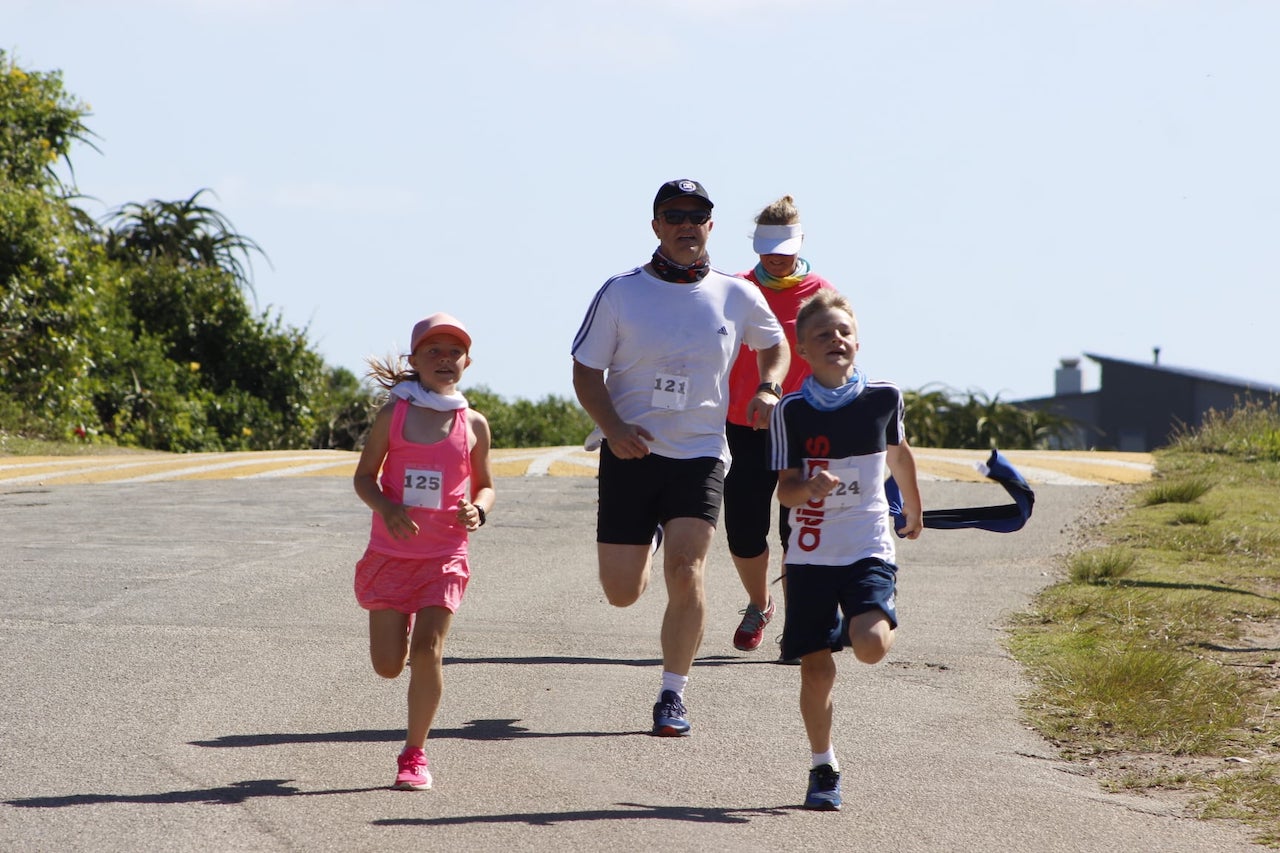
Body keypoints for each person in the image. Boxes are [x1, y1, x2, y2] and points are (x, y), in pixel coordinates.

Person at [571, 178, 790, 737]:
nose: (686, 226)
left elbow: (775, 343)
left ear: (710, 226)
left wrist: (768, 386)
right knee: (622, 593)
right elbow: (586, 372)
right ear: (656, 227)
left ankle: (673, 694)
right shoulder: (621, 292)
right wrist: (613, 428)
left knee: (688, 566)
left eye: (697, 217)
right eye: (674, 216)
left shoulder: (734, 293)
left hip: (699, 453)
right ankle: (647, 540)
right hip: (631, 450)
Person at [768, 289, 923, 810]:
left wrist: (915, 509)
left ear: (857, 340)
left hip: (867, 545)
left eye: (843, 332)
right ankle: (823, 765)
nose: (836, 339)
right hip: (810, 553)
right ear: (803, 351)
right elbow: (784, 488)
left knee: (872, 645)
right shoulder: (790, 411)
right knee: (816, 669)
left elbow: (899, 455)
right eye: (821, 335)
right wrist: (806, 490)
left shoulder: (884, 397)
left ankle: (849, 624)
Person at [352, 312, 495, 790]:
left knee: (429, 651)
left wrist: (478, 509)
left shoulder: (473, 423)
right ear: (414, 360)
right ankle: (400, 638)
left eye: (453, 352)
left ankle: (414, 754)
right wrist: (388, 508)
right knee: (388, 666)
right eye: (433, 351)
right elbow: (364, 478)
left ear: (467, 363)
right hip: (392, 555)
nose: (444, 359)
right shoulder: (394, 414)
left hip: (445, 556)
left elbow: (487, 486)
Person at [724, 195, 836, 654]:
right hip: (740, 425)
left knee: (798, 529)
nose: (776, 254)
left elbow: (838, 356)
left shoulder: (821, 293)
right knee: (745, 530)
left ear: (801, 241)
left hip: (803, 428)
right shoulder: (735, 288)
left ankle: (799, 624)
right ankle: (759, 603)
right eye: (768, 244)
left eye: (785, 244)